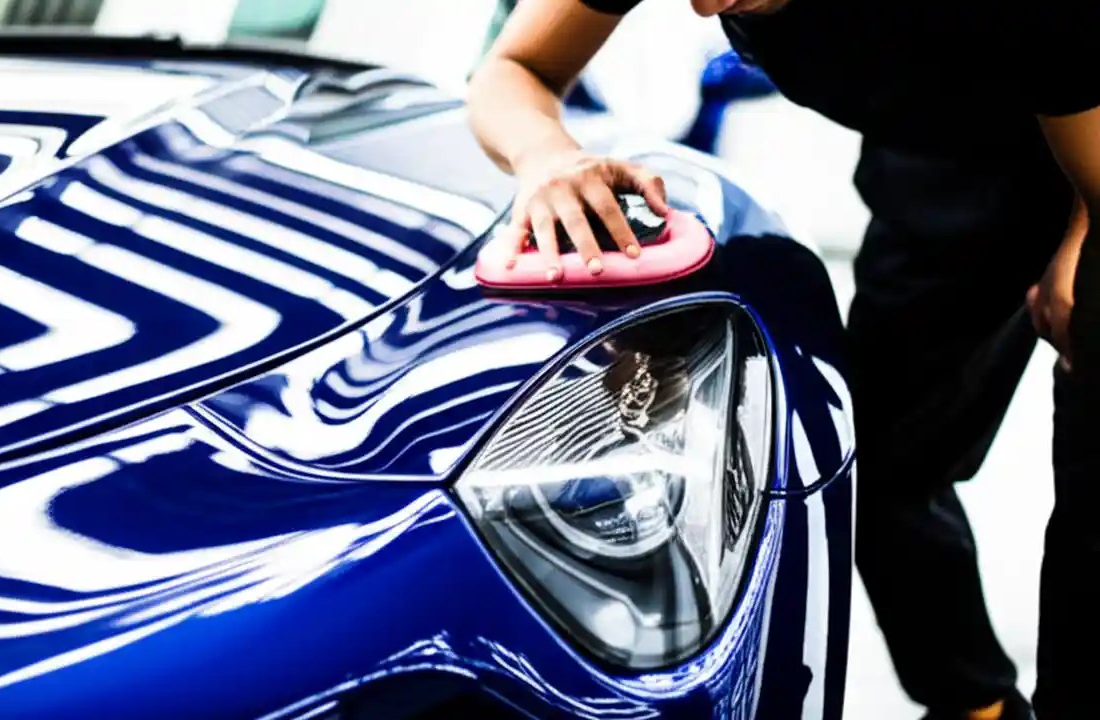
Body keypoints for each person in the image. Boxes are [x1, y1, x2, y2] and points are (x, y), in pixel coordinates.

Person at [465, 1, 1100, 719]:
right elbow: (512, 71)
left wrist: (1086, 224)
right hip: (943, 161)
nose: (704, 7)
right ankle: (977, 705)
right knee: (878, 465)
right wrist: (546, 155)